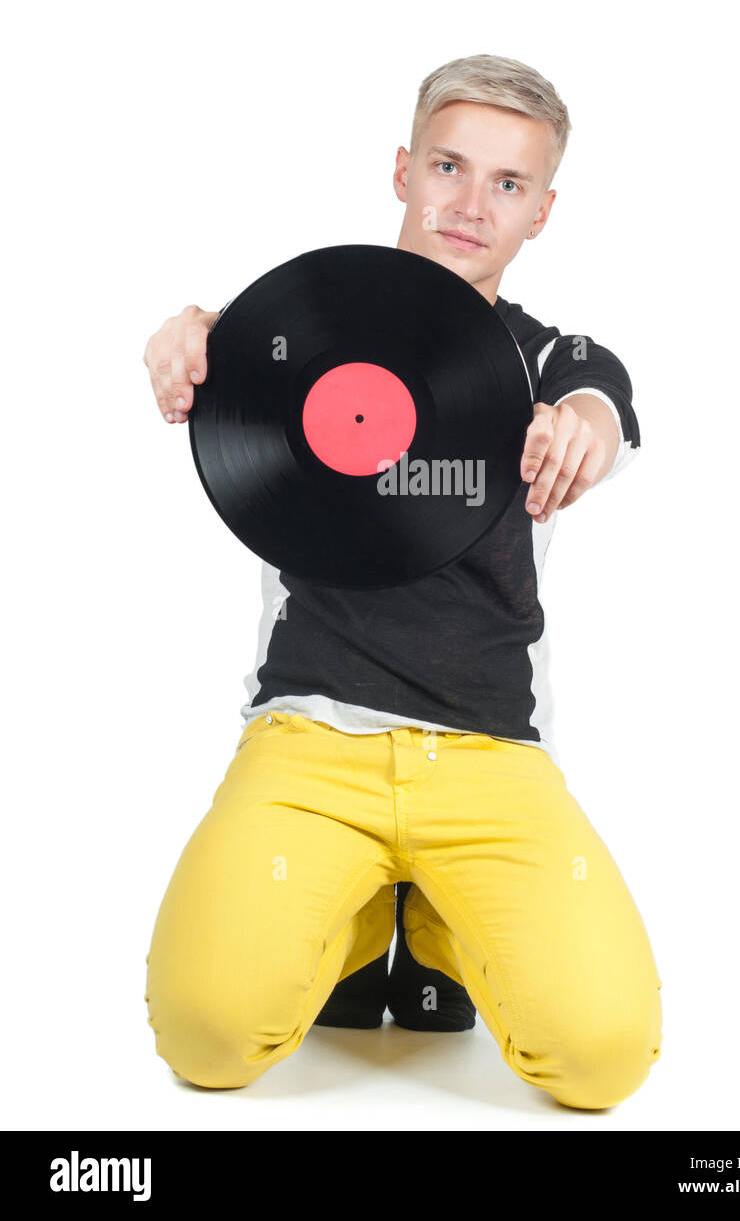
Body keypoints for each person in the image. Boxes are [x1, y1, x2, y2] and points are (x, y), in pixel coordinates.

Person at [142, 54, 663, 1109]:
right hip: (308, 741)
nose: (470, 206)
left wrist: (581, 429)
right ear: (400, 170)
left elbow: (604, 405)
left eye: (507, 185)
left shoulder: (552, 359)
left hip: (487, 755)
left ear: (541, 214)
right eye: (448, 166)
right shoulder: (299, 331)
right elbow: (207, 344)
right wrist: (185, 337)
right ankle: (342, 937)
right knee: (207, 1034)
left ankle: (431, 923)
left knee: (601, 1056)